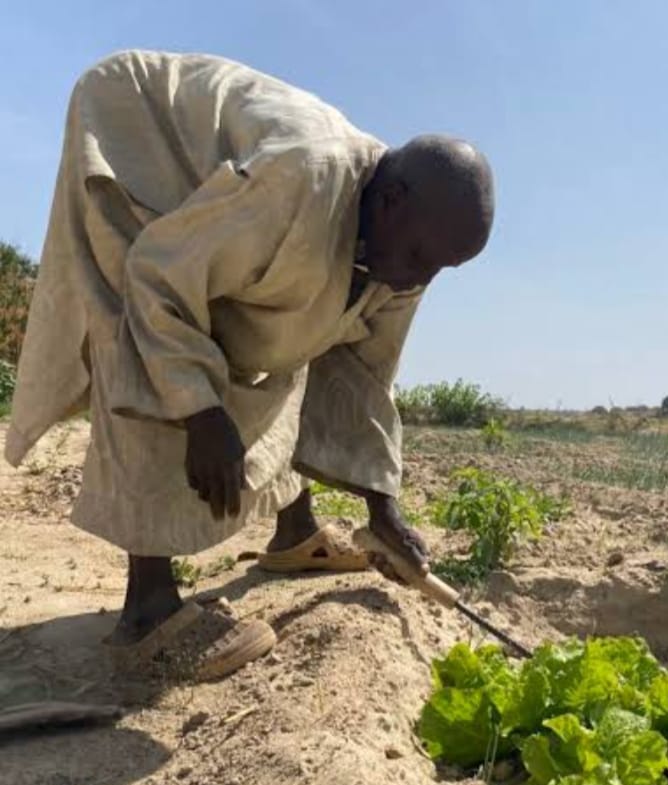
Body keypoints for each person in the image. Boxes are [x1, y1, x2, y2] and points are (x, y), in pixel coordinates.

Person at [4, 50, 495, 680]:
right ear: (393, 199)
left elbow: (361, 370)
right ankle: (147, 611)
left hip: (228, 201)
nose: (423, 276)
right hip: (138, 137)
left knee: (298, 333)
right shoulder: (299, 179)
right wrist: (202, 413)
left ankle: (295, 534)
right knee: (140, 337)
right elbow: (160, 276)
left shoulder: (409, 239)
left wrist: (382, 507)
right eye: (424, 255)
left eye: (443, 269)